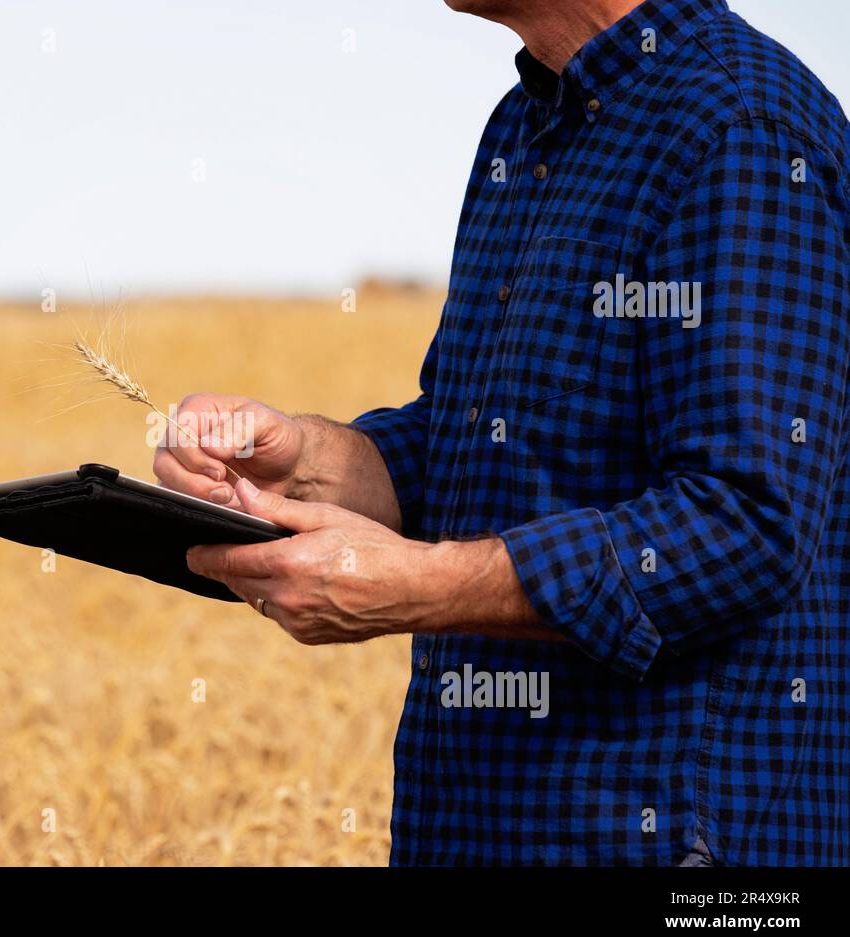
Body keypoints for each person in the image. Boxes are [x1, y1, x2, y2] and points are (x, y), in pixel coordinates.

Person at [155, 0, 850, 866]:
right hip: (475, 826)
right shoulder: (522, 126)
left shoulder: (742, 128)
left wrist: (421, 586)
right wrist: (306, 462)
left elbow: (745, 524)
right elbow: (476, 446)